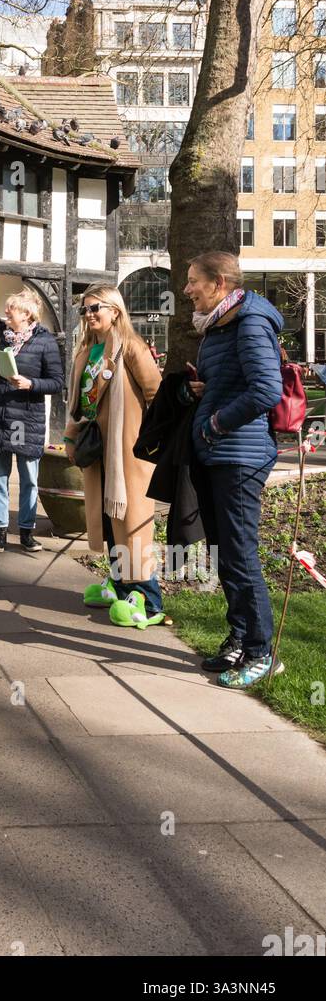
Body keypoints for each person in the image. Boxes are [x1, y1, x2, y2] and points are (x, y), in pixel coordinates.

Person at [184, 251, 285, 688]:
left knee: (241, 555)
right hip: (219, 454)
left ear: (219, 282)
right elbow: (237, 381)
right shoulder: (220, 325)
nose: (186, 290)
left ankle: (263, 653)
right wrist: (203, 392)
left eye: (193, 282)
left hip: (241, 456)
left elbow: (267, 390)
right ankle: (240, 637)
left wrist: (216, 423)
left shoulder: (250, 322)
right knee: (223, 553)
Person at [63, 284, 163, 628]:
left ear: (115, 311)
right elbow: (79, 405)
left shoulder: (131, 348)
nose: (89, 315)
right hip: (97, 449)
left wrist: (148, 442)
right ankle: (121, 586)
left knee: (132, 522)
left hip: (128, 454)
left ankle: (149, 600)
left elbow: (158, 396)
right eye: (85, 310)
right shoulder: (85, 352)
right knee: (108, 521)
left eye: (96, 309)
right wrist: (70, 437)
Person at [0, 289, 64, 553]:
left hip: (26, 420)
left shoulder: (45, 341)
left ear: (27, 314)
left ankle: (26, 532)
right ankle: (0, 532)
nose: (6, 314)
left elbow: (57, 382)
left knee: (28, 477)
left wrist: (31, 383)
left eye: (11, 310)